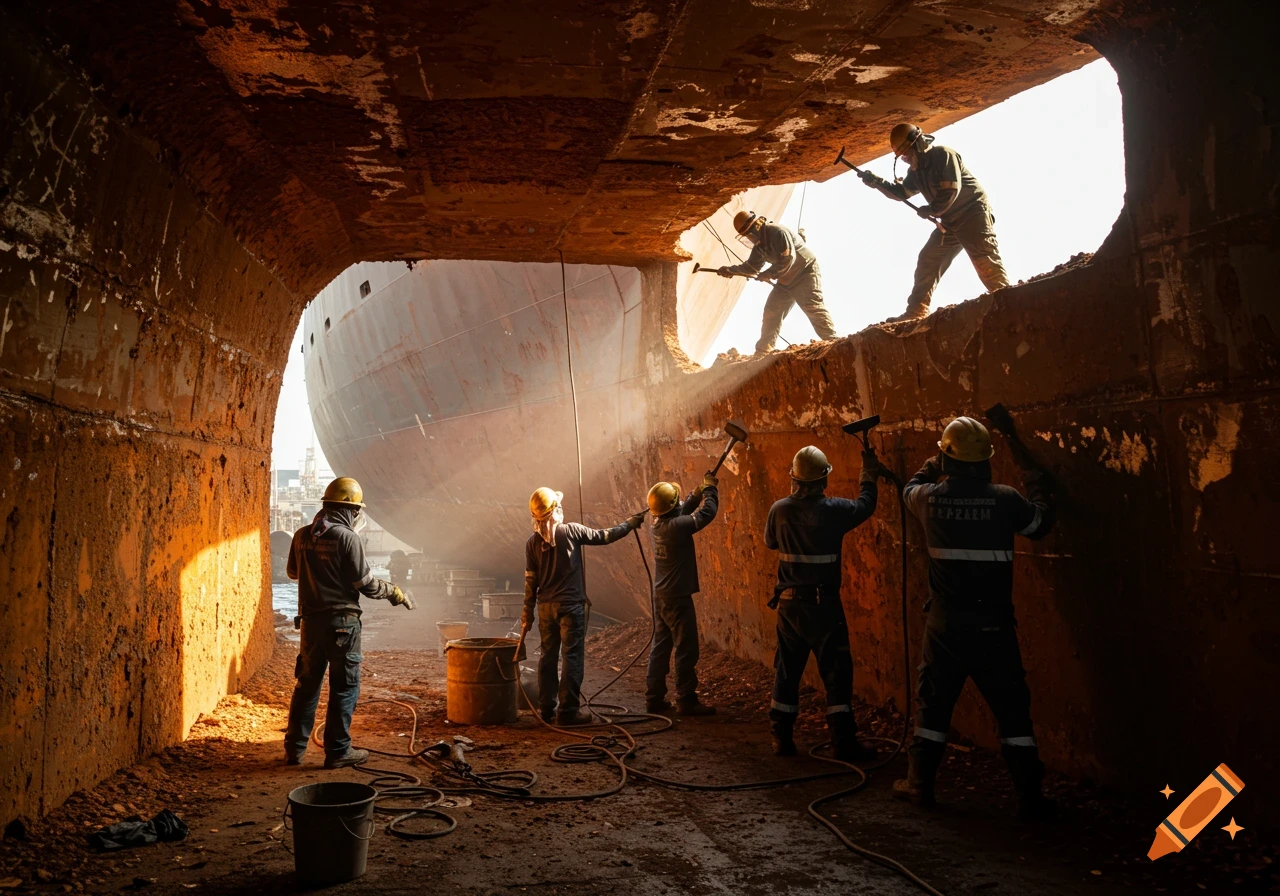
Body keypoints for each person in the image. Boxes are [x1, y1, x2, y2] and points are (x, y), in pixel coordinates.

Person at [895, 415, 1057, 820]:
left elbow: (910, 487)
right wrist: (1036, 481)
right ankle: (1029, 797)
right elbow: (1040, 524)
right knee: (1012, 713)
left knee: (933, 708)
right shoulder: (1005, 499)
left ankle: (919, 785)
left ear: (946, 460)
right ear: (985, 459)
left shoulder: (928, 498)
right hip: (994, 627)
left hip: (946, 626)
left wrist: (935, 459)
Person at [763, 444, 887, 761]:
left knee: (787, 669)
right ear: (823, 480)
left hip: (790, 606)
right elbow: (866, 505)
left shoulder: (779, 509)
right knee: (836, 672)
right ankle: (842, 741)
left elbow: (771, 542)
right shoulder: (834, 511)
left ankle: (781, 737)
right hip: (824, 606)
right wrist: (868, 473)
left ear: (794, 478)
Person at [284, 477, 414, 768]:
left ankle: (294, 750)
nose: (357, 516)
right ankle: (338, 752)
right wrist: (394, 591)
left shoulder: (301, 535)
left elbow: (293, 573)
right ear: (349, 510)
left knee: (306, 686)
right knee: (345, 687)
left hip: (310, 625)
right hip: (343, 625)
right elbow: (366, 584)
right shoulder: (348, 538)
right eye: (356, 511)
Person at [859, 123, 1009, 323]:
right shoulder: (916, 171)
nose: (905, 158)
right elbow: (902, 194)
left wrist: (931, 209)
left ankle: (1008, 300)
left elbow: (951, 190)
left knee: (985, 261)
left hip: (972, 214)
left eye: (907, 152)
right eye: (901, 155)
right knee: (928, 259)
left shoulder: (943, 155)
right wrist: (877, 182)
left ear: (918, 143)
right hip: (950, 222)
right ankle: (916, 311)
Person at [521, 488, 645, 725]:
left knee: (548, 656)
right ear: (555, 510)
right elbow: (606, 536)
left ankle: (546, 708)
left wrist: (528, 611)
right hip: (571, 607)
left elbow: (530, 582)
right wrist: (630, 524)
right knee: (572, 657)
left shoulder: (532, 543)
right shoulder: (572, 531)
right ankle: (568, 712)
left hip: (546, 608)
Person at [644, 473, 720, 716]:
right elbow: (706, 514)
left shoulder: (660, 524)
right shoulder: (676, 527)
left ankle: (654, 698)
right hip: (677, 598)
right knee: (686, 647)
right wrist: (709, 491)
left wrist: (695, 493)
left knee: (661, 646)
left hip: (661, 596)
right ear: (671, 507)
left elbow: (681, 511)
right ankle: (686, 699)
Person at [718, 210, 838, 353]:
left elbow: (788, 258)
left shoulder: (777, 232)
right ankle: (763, 350)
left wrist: (769, 273)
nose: (749, 239)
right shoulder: (760, 246)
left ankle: (835, 343)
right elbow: (751, 268)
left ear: (755, 228)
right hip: (786, 282)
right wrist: (730, 271)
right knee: (772, 310)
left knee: (812, 305)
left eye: (748, 234)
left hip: (805, 273)